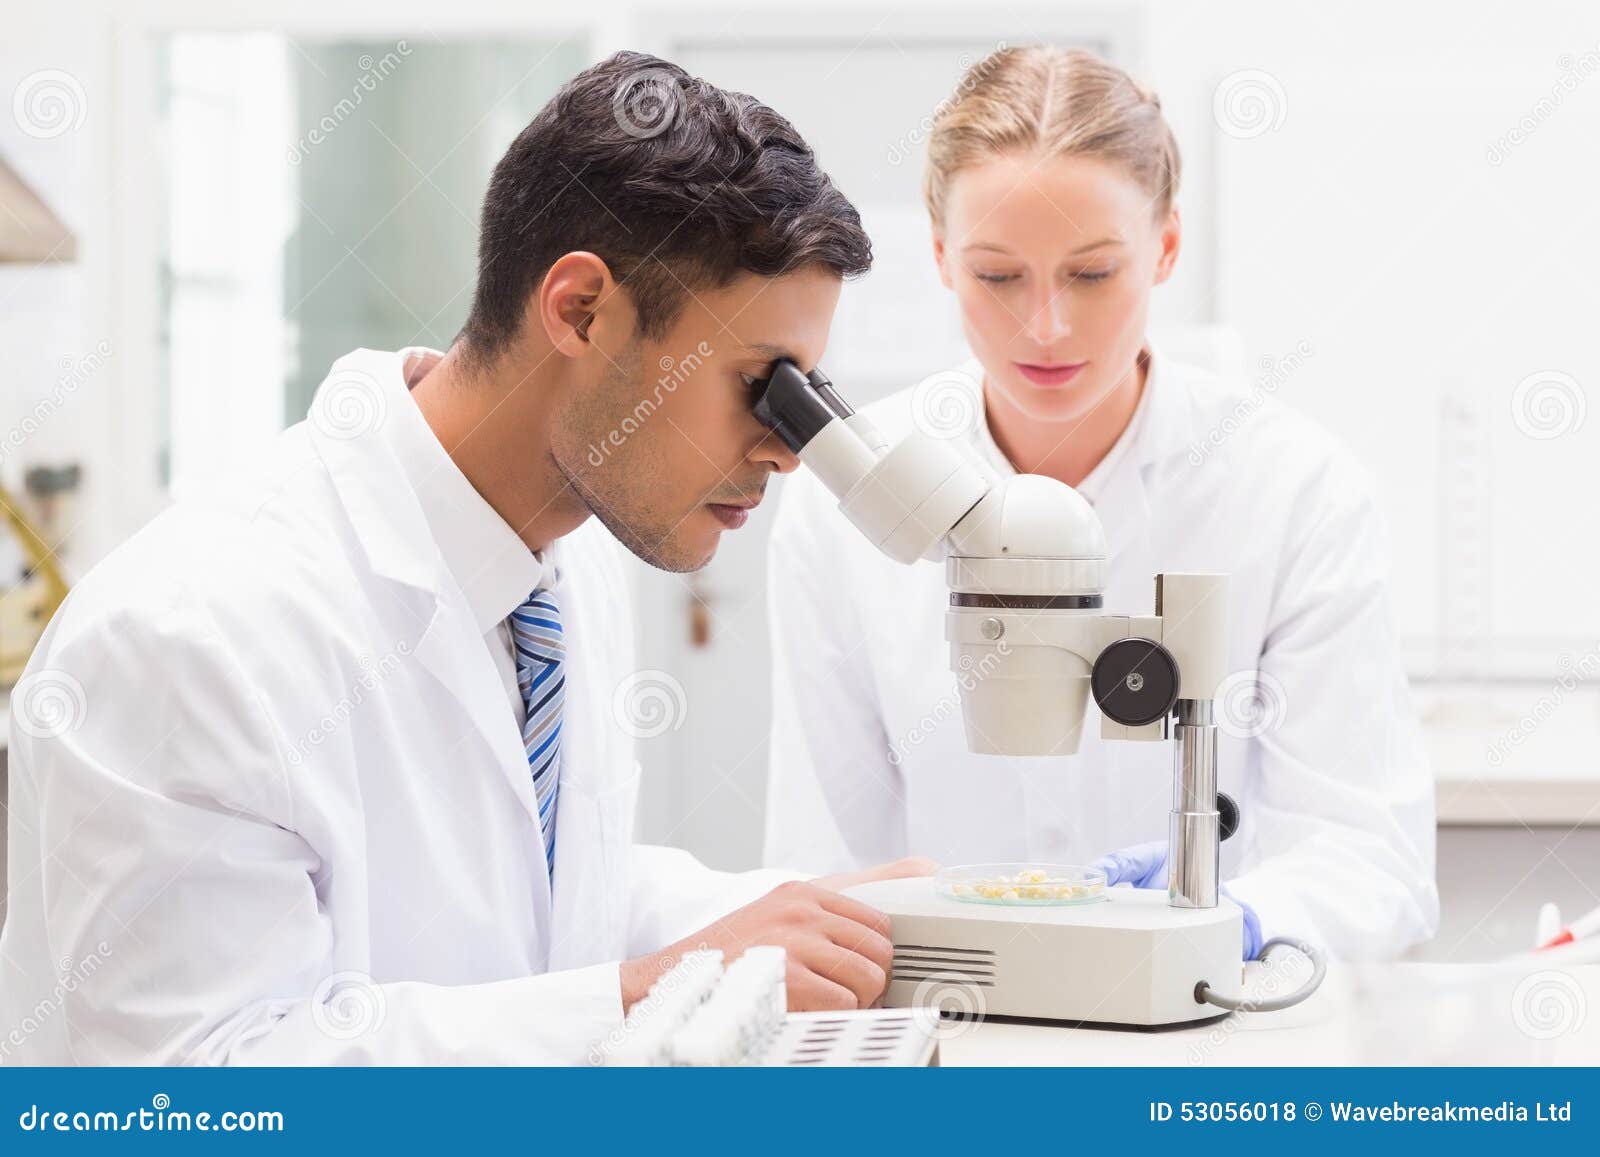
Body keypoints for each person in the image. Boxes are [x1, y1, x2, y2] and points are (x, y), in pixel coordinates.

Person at [0, 52, 930, 1066]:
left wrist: (812, 917)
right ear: (580, 310)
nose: (788, 450)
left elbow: (557, 900)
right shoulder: (188, 632)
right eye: (761, 384)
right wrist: (649, 990)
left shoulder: (565, 563)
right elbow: (200, 1086)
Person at [763, 45, 1437, 961]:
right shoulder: (844, 508)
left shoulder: (1294, 492)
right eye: (998, 275)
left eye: (1092, 274)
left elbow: (1370, 859)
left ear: (1165, 247)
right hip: (948, 1011)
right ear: (942, 256)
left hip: (1213, 1020)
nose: (1046, 325)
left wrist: (1237, 919)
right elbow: (822, 861)